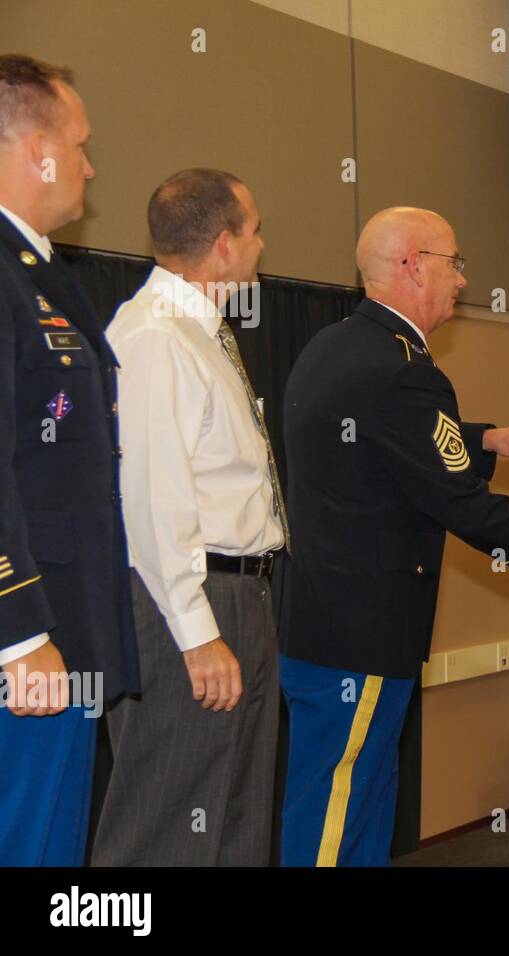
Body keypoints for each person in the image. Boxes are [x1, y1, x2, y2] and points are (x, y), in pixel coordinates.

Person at [279, 206, 509, 866]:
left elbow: (397, 449)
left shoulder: (335, 348)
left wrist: (486, 440)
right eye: (455, 264)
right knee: (335, 817)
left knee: (356, 805)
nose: (463, 283)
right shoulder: (405, 370)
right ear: (412, 265)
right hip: (360, 636)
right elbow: (455, 500)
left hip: (327, 627)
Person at [93, 169, 284, 865]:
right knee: (167, 821)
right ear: (226, 245)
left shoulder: (202, 334)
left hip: (240, 592)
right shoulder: (154, 337)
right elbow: (149, 498)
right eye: (257, 228)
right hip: (187, 599)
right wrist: (197, 631)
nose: (264, 243)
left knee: (234, 818)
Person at [0, 53, 138, 865]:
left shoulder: (41, 274)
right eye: (80, 144)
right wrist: (18, 636)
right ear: (30, 151)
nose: (89, 166)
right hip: (28, 635)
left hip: (65, 624)